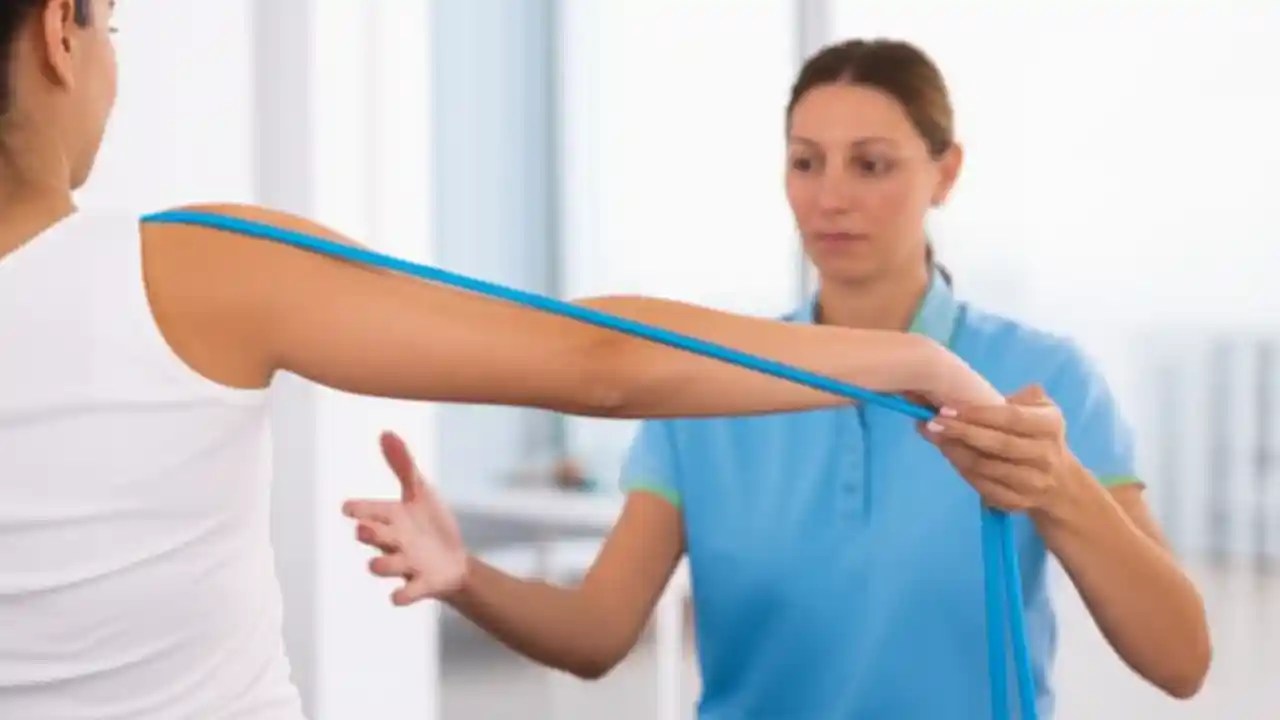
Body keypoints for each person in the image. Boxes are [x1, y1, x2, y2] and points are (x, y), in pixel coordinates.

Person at [0, 4, 1006, 719]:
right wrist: (910, 358)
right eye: (111, 27)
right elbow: (598, 360)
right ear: (59, 31)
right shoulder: (193, 268)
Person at [344, 38, 1213, 718]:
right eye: (807, 161)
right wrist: (465, 576)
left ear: (944, 172)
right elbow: (598, 633)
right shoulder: (706, 385)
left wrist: (1054, 485)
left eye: (870, 164)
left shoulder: (1047, 378)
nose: (830, 197)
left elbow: (1181, 659)